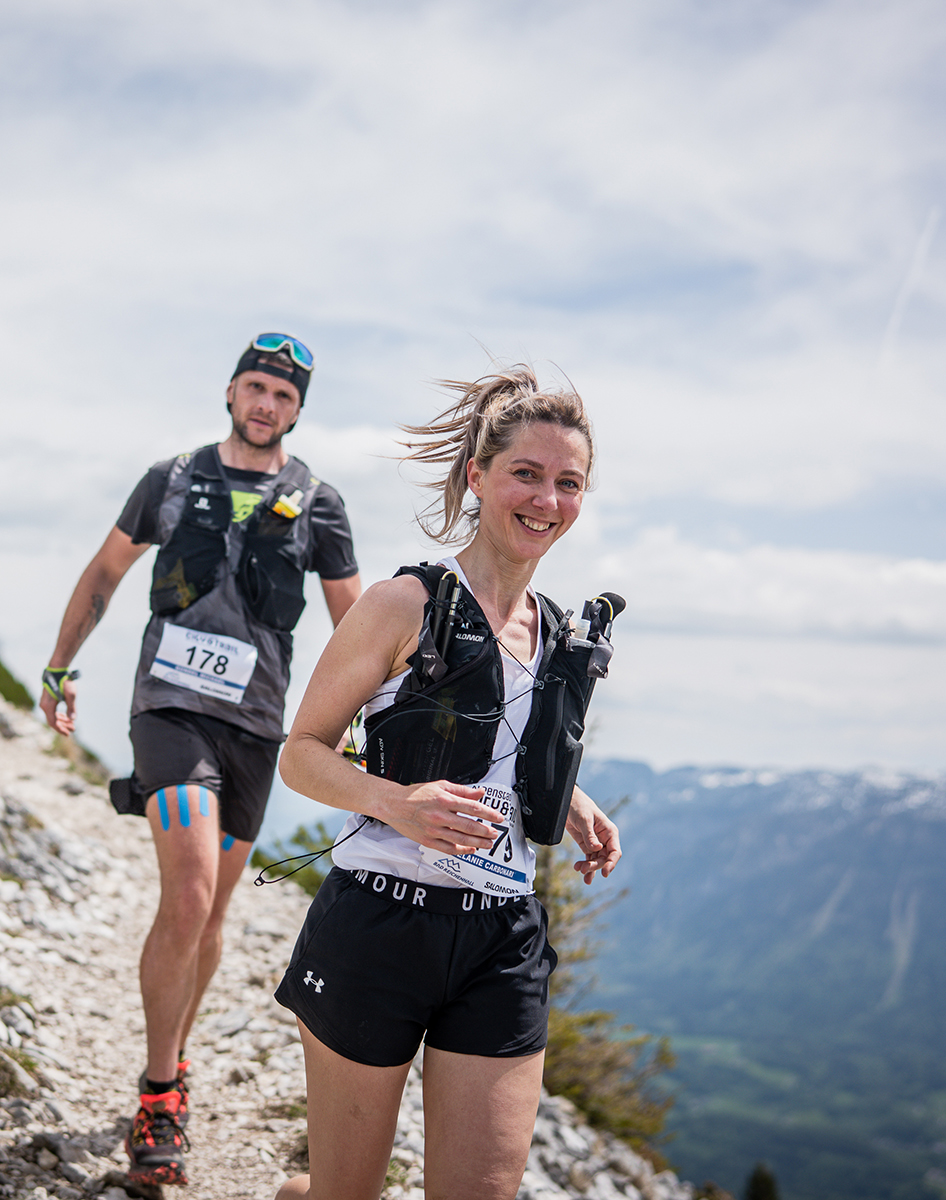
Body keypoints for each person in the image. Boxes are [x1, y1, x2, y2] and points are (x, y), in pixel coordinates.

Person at [271, 365, 623, 1200]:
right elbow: (302, 751)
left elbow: (502, 748)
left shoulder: (559, 635)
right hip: (379, 926)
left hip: (501, 938)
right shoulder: (405, 604)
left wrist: (566, 796)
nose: (547, 499)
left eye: (567, 483)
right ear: (478, 476)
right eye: (526, 475)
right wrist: (397, 803)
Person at [39, 333, 362, 1187]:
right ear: (230, 392)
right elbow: (106, 573)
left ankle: (173, 1054)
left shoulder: (320, 504)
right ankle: (158, 1095)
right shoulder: (170, 479)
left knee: (211, 920)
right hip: (170, 714)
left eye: (284, 397)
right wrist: (60, 665)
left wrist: (370, 727)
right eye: (256, 388)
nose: (267, 405)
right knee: (184, 895)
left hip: (253, 730)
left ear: (297, 410)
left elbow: (356, 628)